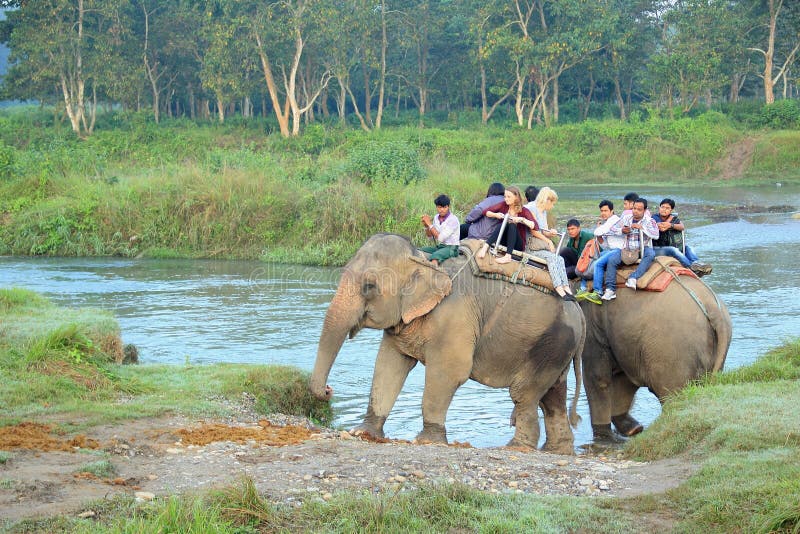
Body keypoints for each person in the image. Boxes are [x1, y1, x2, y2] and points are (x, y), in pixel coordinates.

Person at [602, 197, 659, 300]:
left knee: (651, 254)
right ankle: (610, 289)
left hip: (642, 248)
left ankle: (633, 277)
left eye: (639, 209)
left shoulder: (650, 220)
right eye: (634, 208)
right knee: (612, 260)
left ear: (645, 211)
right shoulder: (626, 218)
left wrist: (642, 228)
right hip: (627, 248)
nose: (635, 211)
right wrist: (622, 230)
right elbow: (612, 228)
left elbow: (656, 234)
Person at [575, 200, 622, 305]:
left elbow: (596, 232)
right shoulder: (607, 223)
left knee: (598, 263)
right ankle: (583, 287)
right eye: (601, 211)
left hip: (618, 250)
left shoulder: (614, 220)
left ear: (612, 211)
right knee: (589, 260)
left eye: (606, 210)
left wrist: (599, 229)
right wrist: (600, 236)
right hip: (610, 250)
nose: (603, 213)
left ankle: (598, 292)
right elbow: (604, 244)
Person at [477, 186, 537, 264]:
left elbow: (534, 226)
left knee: (512, 225)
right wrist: (496, 215)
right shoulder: (503, 205)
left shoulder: (524, 210)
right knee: (503, 224)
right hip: (503, 239)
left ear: (516, 197)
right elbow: (486, 211)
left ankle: (508, 256)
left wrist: (522, 220)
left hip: (517, 244)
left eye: (509, 197)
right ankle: (485, 247)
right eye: (505, 196)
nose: (506, 199)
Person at [652, 198, 712, 275]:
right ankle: (690, 267)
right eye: (662, 207)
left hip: (670, 245)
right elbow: (662, 228)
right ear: (659, 208)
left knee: (688, 248)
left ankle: (697, 264)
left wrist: (671, 225)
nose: (664, 210)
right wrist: (670, 220)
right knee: (673, 250)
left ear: (671, 210)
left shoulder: (674, 219)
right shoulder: (654, 217)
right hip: (657, 248)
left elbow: (682, 227)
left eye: (667, 208)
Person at [420, 194, 460, 267]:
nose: (442, 210)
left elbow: (441, 238)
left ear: (448, 207)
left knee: (435, 257)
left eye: (445, 207)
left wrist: (429, 224)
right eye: (439, 207)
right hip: (441, 247)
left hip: (452, 248)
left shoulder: (453, 220)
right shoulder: (436, 218)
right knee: (420, 250)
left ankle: (435, 276)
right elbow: (430, 237)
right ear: (436, 207)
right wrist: (426, 226)